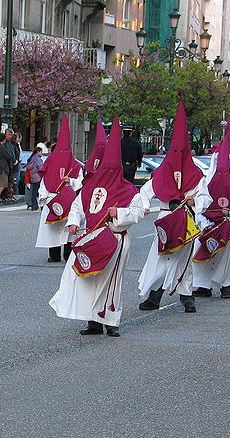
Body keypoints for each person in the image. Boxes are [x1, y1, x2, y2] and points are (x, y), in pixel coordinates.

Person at [49, 117, 144, 337]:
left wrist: (119, 213)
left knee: (111, 280)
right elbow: (77, 206)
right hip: (93, 237)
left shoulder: (128, 190)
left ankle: (111, 320)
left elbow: (138, 213)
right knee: (91, 278)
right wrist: (74, 223)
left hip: (115, 239)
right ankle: (93, 321)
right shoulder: (91, 187)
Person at [138, 102, 203, 313]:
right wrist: (142, 207)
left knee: (184, 259)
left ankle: (187, 296)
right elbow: (145, 192)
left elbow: (205, 196)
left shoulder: (195, 175)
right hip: (166, 222)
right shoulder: (162, 172)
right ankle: (155, 296)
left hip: (186, 221)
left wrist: (196, 202)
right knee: (162, 258)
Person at [192, 115, 230, 298]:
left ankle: (225, 284)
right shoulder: (207, 179)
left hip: (228, 218)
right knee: (203, 244)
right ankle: (202, 284)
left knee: (225, 249)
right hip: (207, 219)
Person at [35, 116, 83, 262]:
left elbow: (81, 181)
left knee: (69, 228)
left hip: (68, 200)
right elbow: (43, 182)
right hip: (53, 199)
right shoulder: (50, 162)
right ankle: (54, 255)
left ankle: (68, 254)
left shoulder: (75, 165)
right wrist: (43, 197)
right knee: (53, 229)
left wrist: (71, 181)